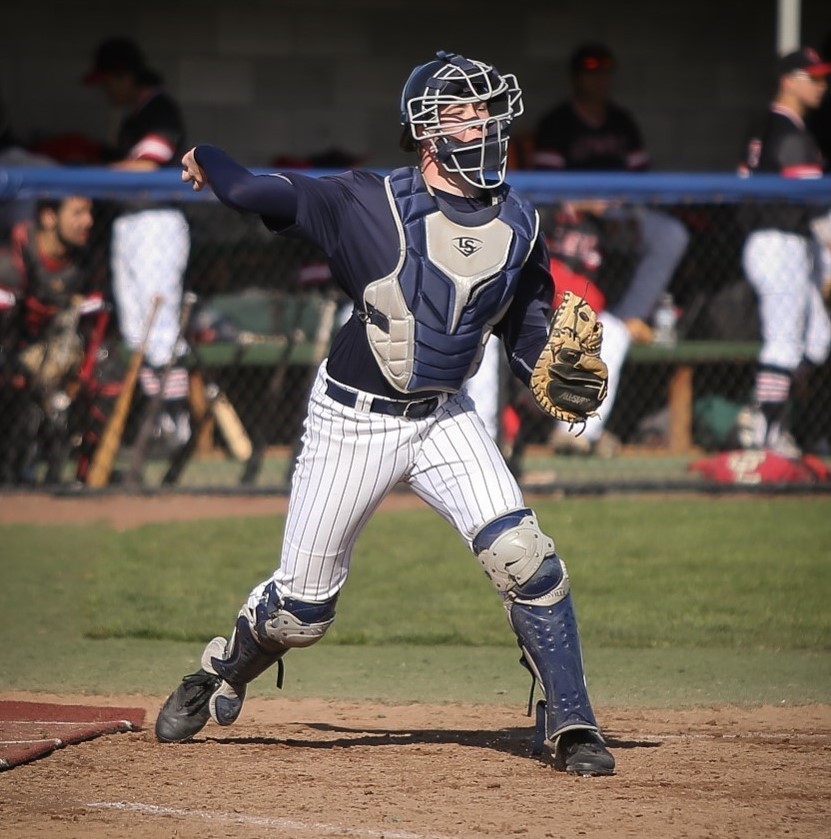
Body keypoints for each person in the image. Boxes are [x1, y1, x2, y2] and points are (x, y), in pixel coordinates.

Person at [154, 50, 615, 776]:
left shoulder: (520, 220)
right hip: (353, 419)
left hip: (444, 416)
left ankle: (571, 721)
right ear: (430, 131)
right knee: (299, 614)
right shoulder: (368, 202)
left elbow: (526, 330)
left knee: (525, 558)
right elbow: (250, 191)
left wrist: (549, 371)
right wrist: (205, 156)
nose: (487, 121)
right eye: (467, 109)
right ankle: (224, 663)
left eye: (488, 108)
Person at [532, 42, 690, 454]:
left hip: (618, 220)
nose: (599, 79)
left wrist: (619, 204)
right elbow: (543, 192)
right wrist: (585, 203)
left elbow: (643, 177)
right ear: (576, 78)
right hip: (575, 224)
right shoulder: (557, 124)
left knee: (668, 235)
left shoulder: (621, 122)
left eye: (605, 72)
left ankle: (633, 314)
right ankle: (570, 431)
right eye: (590, 72)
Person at [83, 37, 192, 451]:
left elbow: (146, 165)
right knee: (135, 330)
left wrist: (93, 173)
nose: (105, 90)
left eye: (109, 81)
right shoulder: (132, 114)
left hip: (155, 222)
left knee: (158, 327)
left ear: (126, 76)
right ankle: (157, 421)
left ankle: (175, 422)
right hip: (130, 222)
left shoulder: (160, 108)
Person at [736, 47, 831, 458]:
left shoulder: (766, 127)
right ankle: (766, 439)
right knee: (783, 345)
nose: (822, 86)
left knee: (817, 339)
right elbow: (817, 210)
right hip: (780, 243)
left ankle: (764, 414)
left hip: (779, 243)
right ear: (789, 79)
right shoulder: (790, 133)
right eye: (814, 78)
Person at [0, 196, 108, 484]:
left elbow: (94, 318)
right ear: (49, 217)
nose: (88, 221)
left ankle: (82, 474)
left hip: (59, 350)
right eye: (77, 213)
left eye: (89, 212)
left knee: (106, 366)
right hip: (16, 346)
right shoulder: (15, 253)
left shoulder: (85, 260)